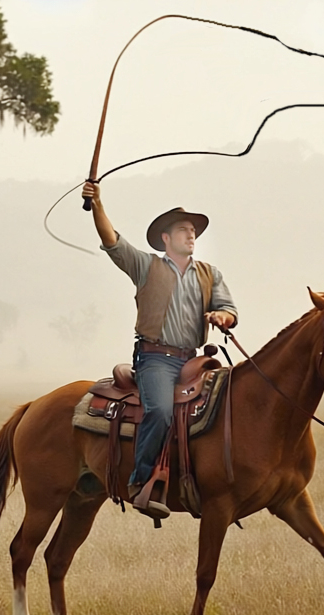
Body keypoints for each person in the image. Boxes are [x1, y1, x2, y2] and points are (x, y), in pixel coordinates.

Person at [82, 181, 238, 520]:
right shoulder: (146, 266)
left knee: (228, 405)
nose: (191, 235)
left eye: (193, 231)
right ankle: (140, 480)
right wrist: (97, 205)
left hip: (194, 360)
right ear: (166, 238)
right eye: (183, 230)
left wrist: (221, 316)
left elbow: (228, 308)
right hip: (155, 359)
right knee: (161, 411)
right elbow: (112, 241)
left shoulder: (209, 274)